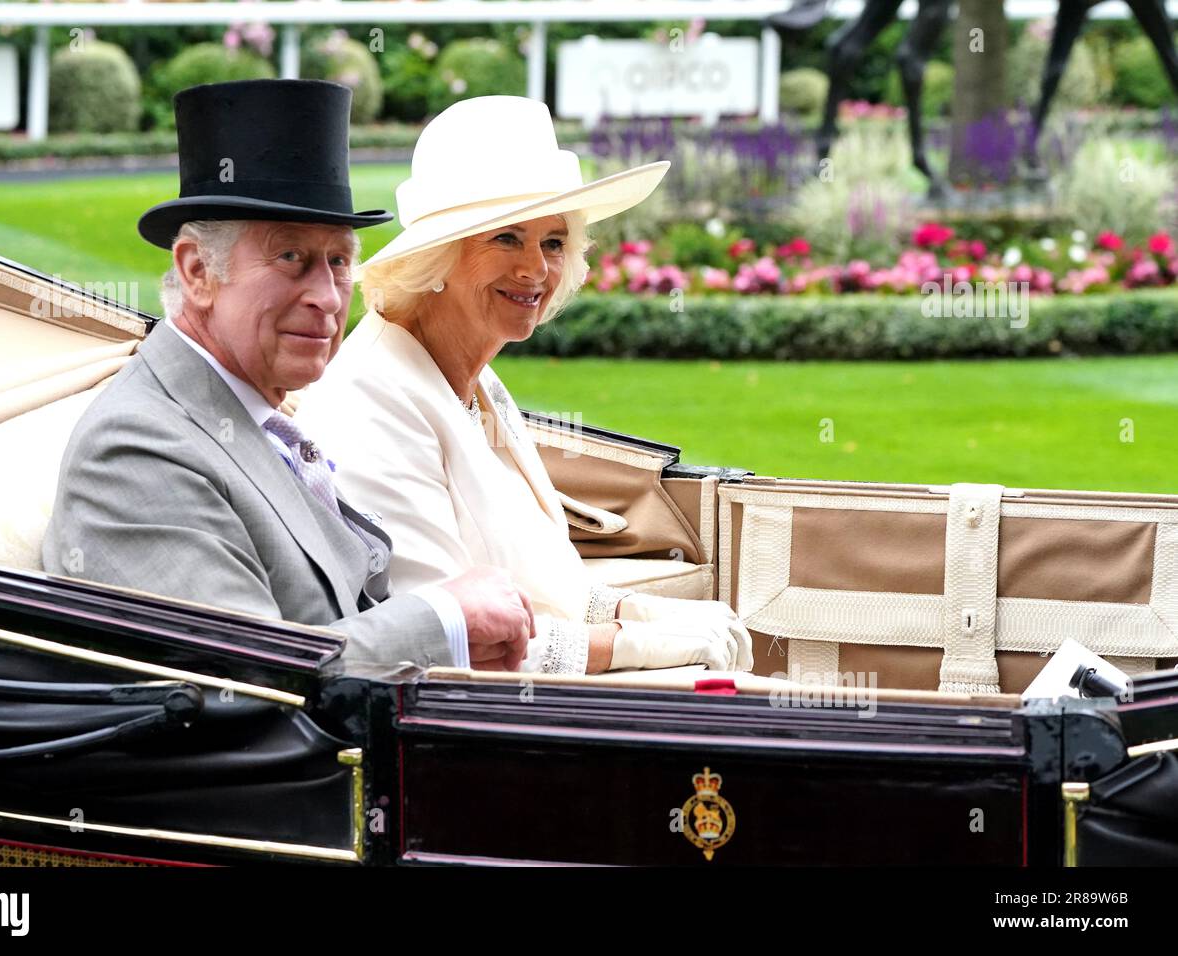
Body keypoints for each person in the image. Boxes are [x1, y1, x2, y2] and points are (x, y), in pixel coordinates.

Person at [43, 80, 534, 672]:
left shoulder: (252, 414)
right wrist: (445, 618)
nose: (328, 299)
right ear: (198, 272)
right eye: (290, 259)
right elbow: (252, 678)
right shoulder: (136, 450)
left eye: (339, 261)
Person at [303, 96, 753, 675]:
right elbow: (451, 646)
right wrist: (643, 644)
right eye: (507, 239)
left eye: (554, 242)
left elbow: (548, 584)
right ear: (438, 258)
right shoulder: (372, 400)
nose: (535, 270)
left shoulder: (478, 381)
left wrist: (646, 612)